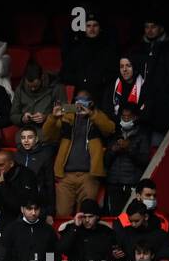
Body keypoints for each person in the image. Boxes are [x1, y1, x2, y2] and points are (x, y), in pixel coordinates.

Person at [42, 90, 115, 218]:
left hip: (89, 176)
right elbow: (47, 136)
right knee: (62, 214)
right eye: (77, 100)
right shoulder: (67, 117)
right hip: (66, 176)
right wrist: (53, 117)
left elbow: (110, 129)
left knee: (86, 215)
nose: (80, 104)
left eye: (84, 100)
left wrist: (91, 114)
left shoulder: (97, 116)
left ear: (91, 103)